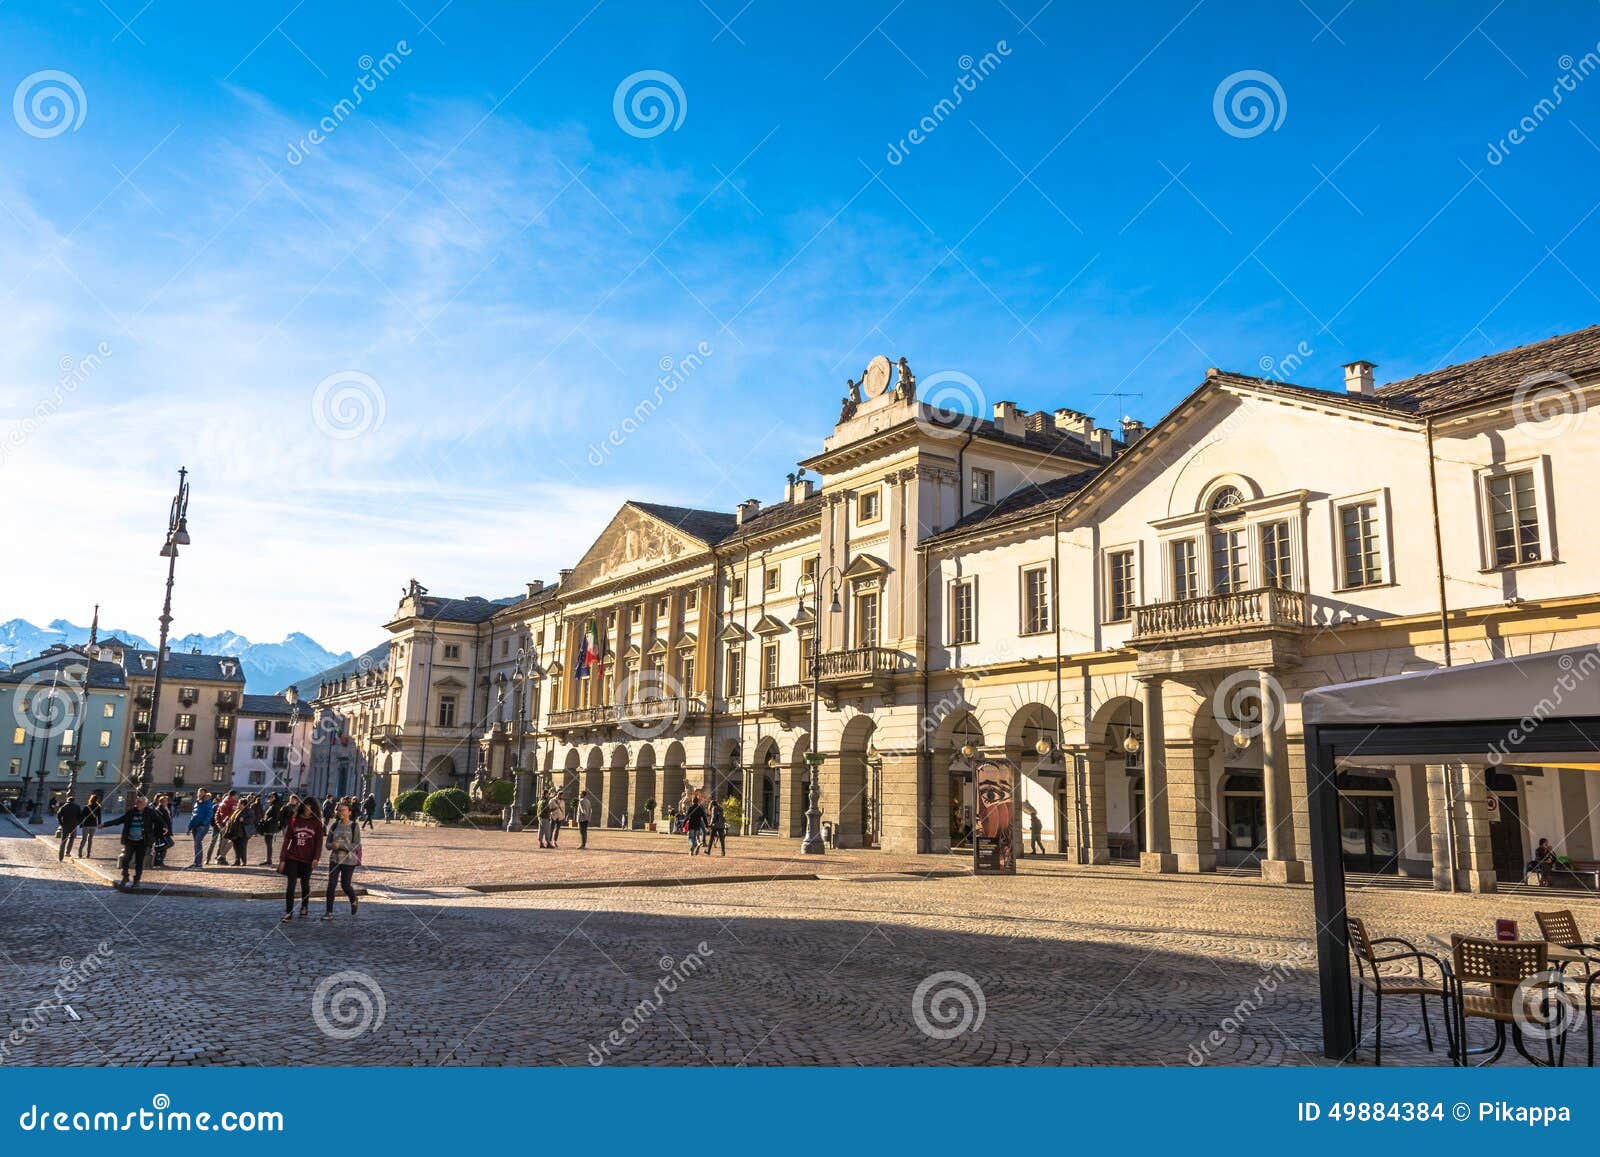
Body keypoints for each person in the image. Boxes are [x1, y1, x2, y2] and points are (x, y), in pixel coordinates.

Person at [278, 800, 324, 921]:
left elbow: (319, 843)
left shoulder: (317, 823)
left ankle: (304, 906)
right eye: (306, 808)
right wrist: (282, 859)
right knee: (291, 885)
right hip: (293, 856)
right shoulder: (294, 820)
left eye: (310, 809)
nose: (308, 811)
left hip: (308, 859)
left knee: (305, 884)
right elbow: (287, 840)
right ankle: (288, 912)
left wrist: (316, 858)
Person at [101, 794, 156, 890]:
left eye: (142, 803)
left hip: (142, 841)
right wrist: (105, 824)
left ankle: (137, 880)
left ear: (145, 804)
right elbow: (119, 820)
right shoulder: (131, 813)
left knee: (139, 861)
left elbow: (159, 821)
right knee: (126, 859)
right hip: (130, 840)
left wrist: (164, 827)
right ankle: (125, 876)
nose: (139, 804)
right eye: (138, 803)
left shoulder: (150, 813)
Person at [322, 800, 363, 920]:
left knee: (345, 885)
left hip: (348, 861)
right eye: (339, 810)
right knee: (331, 885)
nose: (341, 812)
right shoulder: (334, 825)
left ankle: (353, 898)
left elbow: (357, 845)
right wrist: (331, 846)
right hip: (334, 859)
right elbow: (327, 844)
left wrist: (341, 846)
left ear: (349, 812)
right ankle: (328, 912)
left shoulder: (354, 826)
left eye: (344, 810)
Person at [186, 788, 215, 868]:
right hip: (195, 826)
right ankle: (196, 862)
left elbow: (209, 814)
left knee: (198, 842)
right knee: (196, 844)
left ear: (205, 793)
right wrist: (189, 827)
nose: (200, 793)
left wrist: (204, 824)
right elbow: (193, 816)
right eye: (199, 792)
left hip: (202, 826)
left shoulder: (207, 802)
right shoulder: (197, 802)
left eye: (202, 792)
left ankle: (198, 863)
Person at [206, 790, 238, 864]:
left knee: (223, 842)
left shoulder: (222, 802)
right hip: (228, 825)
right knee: (232, 840)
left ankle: (220, 859)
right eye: (236, 795)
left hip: (222, 825)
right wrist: (223, 824)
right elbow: (231, 815)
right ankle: (221, 856)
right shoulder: (232, 803)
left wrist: (219, 824)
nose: (237, 797)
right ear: (233, 795)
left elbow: (217, 815)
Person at [149, 794, 174, 868]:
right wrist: (164, 827)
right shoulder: (159, 809)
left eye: (166, 801)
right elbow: (159, 820)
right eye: (165, 801)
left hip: (166, 830)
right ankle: (156, 854)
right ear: (161, 802)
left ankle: (159, 862)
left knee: (164, 845)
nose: (166, 802)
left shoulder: (165, 808)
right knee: (168, 844)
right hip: (161, 831)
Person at [55, 795, 83, 861]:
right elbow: (81, 816)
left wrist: (61, 823)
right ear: (73, 801)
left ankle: (60, 857)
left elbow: (58, 815)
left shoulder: (63, 807)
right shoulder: (77, 807)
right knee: (71, 839)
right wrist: (78, 823)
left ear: (67, 800)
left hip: (65, 825)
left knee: (63, 841)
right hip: (73, 825)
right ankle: (68, 852)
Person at [75, 792, 102, 858]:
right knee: (90, 839)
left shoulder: (86, 807)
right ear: (96, 800)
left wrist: (80, 824)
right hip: (93, 825)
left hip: (86, 825)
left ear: (90, 799)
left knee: (84, 839)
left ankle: (80, 853)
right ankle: (88, 854)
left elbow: (82, 816)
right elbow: (99, 817)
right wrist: (99, 824)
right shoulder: (98, 807)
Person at [258, 794, 283, 864]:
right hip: (269, 826)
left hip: (270, 827)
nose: (269, 798)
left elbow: (275, 817)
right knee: (268, 843)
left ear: (275, 798)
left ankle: (269, 860)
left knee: (269, 843)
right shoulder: (273, 805)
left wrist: (266, 821)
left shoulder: (276, 806)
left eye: (271, 797)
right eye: (269, 797)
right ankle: (268, 859)